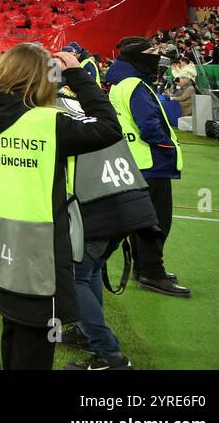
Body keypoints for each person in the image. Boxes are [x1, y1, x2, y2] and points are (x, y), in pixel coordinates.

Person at [0, 44, 124, 370]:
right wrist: (77, 74)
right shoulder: (46, 123)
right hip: (38, 257)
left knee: (13, 331)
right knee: (35, 346)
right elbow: (109, 128)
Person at [56, 88, 159, 370]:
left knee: (74, 277)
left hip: (98, 206)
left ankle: (109, 355)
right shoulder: (85, 107)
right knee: (88, 273)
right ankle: (85, 333)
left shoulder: (52, 117)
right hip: (126, 202)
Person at [107, 37, 190, 297]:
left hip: (134, 162)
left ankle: (144, 268)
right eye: (151, 52)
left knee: (142, 221)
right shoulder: (135, 85)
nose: (157, 56)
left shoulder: (120, 84)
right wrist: (165, 147)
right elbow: (149, 124)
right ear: (138, 56)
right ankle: (152, 273)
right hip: (151, 163)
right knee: (156, 222)